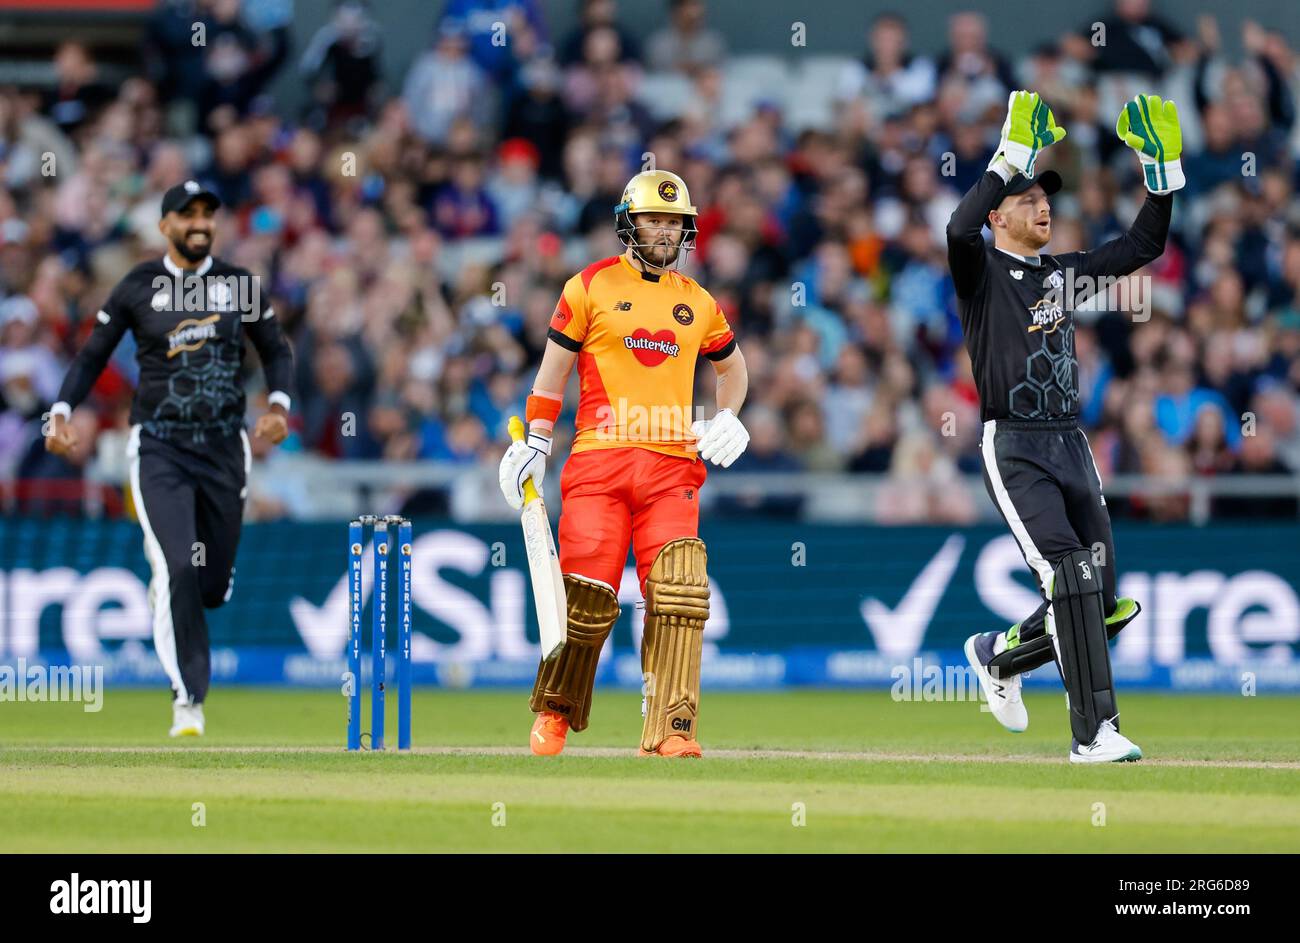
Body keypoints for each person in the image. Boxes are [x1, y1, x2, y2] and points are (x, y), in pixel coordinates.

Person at [947, 91, 1182, 762]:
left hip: (1070, 443)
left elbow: (1143, 245)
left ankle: (997, 655)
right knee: (1070, 572)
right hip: (1014, 444)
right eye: (1026, 200)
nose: (1043, 206)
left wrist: (1162, 177)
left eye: (1046, 199)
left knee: (1099, 602)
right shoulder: (981, 272)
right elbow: (958, 230)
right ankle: (1094, 734)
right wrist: (1007, 158)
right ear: (998, 216)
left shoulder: (1063, 274)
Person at [498, 170, 749, 757]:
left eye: (674, 222)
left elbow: (733, 369)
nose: (664, 231)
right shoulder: (588, 286)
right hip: (598, 462)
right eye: (653, 219)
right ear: (629, 224)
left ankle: (672, 728)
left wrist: (729, 417)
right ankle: (556, 712)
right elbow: (551, 377)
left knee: (679, 592)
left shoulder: (699, 302)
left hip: (673, 466)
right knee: (585, 595)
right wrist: (537, 442)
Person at [45, 180, 295, 738]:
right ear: (164, 226)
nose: (200, 223)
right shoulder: (138, 286)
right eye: (188, 215)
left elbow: (276, 349)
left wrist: (279, 406)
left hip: (224, 447)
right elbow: (91, 357)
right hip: (159, 446)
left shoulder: (239, 285)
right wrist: (59, 412)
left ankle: (190, 584)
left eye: (208, 213)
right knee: (176, 564)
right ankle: (189, 700)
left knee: (211, 586)